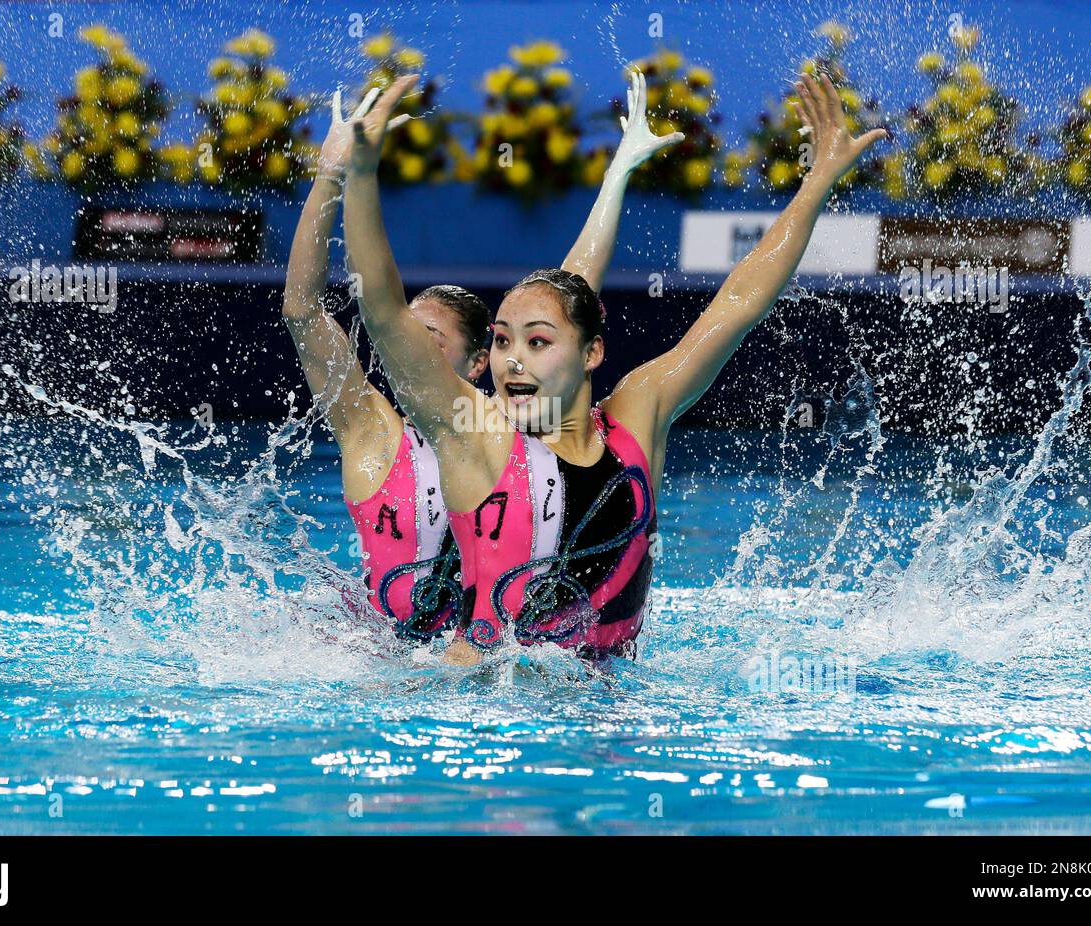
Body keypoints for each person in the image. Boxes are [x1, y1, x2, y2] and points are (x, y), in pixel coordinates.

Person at [343, 70, 888, 666]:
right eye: (500, 342)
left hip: (605, 711)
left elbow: (736, 306)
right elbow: (385, 314)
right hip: (477, 713)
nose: (512, 360)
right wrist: (360, 178)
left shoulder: (638, 415)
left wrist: (816, 185)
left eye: (537, 342)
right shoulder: (476, 435)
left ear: (592, 353)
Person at [281, 73, 683, 642]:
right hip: (391, 669)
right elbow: (303, 311)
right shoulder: (375, 435)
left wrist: (617, 174)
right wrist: (333, 176)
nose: (408, 346)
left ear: (477, 363)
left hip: (479, 667)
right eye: (408, 334)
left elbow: (573, 292)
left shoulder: (513, 433)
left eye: (431, 338)